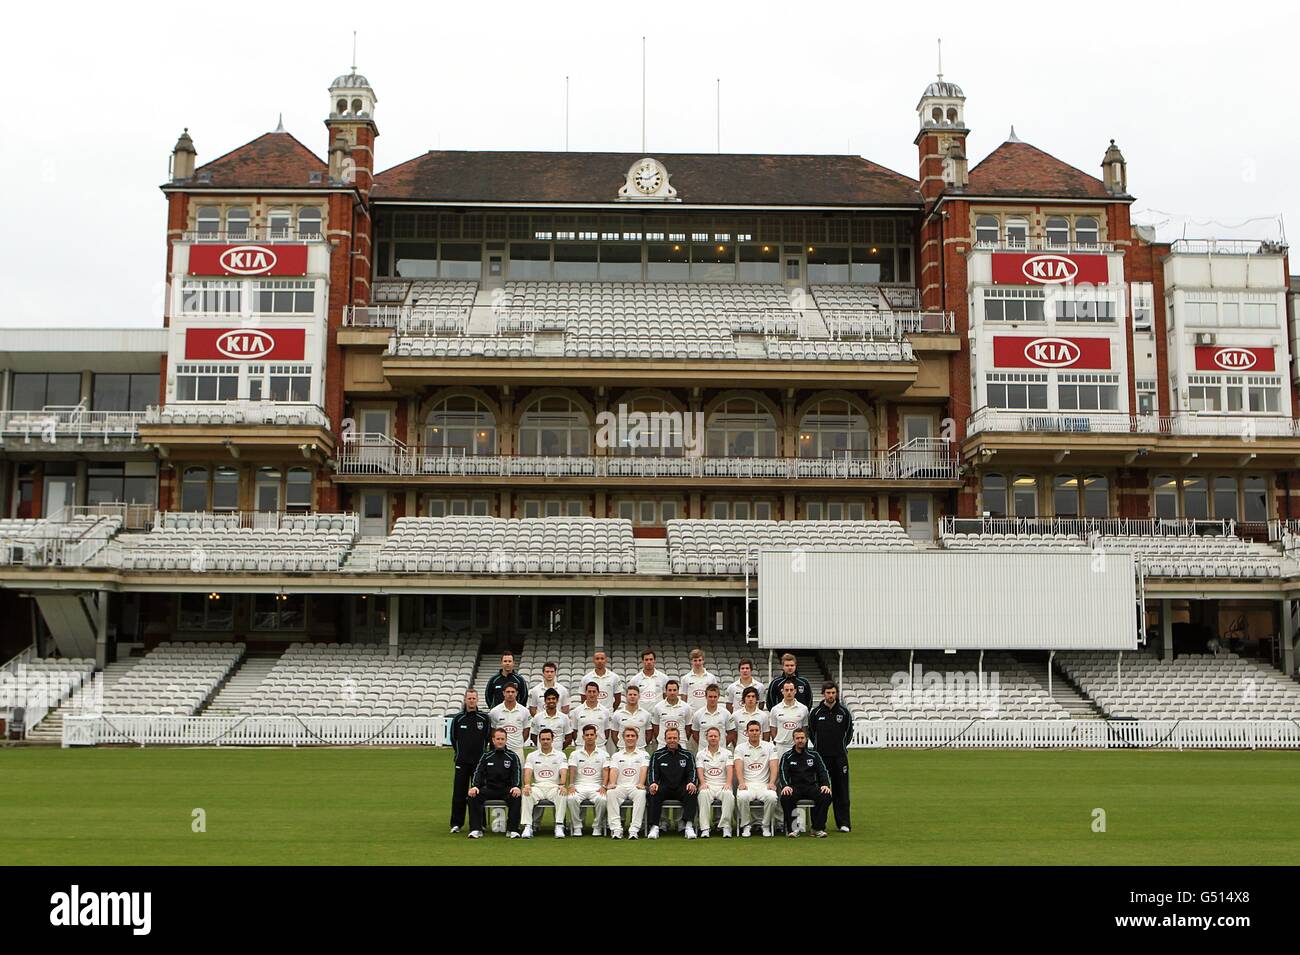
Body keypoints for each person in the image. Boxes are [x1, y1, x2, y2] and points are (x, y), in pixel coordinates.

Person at [808, 682, 853, 833]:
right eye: (828, 693)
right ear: (823, 694)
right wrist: (821, 748)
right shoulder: (816, 713)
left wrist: (839, 747)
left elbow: (848, 734)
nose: (831, 695)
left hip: (839, 757)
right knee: (820, 790)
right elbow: (812, 734)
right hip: (821, 758)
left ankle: (843, 823)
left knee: (841, 790)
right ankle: (819, 823)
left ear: (837, 693)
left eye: (833, 692)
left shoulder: (844, 713)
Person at [449, 689, 492, 834]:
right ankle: (456, 824)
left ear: (477, 700)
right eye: (469, 698)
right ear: (465, 700)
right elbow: (453, 739)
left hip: (479, 764)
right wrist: (460, 754)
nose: (472, 700)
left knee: (479, 792)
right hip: (462, 762)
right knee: (459, 793)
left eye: (474, 698)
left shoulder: (484, 718)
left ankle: (481, 823)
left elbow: (487, 738)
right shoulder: (458, 719)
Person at [467, 728, 523, 838]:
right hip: (490, 789)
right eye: (498, 739)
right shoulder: (486, 756)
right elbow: (478, 772)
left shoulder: (512, 756)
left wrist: (516, 786)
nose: (500, 741)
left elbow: (517, 773)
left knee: (516, 796)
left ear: (506, 740)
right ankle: (476, 829)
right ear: (493, 740)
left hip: (506, 789)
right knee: (472, 796)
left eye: (502, 739)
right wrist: (474, 786)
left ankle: (512, 829)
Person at [777, 728, 832, 838]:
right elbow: (782, 772)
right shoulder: (787, 756)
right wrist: (785, 786)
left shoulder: (814, 755)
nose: (800, 740)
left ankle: (817, 828)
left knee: (826, 795)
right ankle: (793, 829)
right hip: (794, 788)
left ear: (806, 739)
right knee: (786, 796)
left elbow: (823, 771)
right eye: (797, 738)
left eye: (802, 738)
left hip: (811, 787)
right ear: (793, 740)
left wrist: (826, 785)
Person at [646, 727, 698, 839]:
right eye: (669, 738)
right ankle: (655, 827)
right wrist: (653, 783)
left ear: (679, 739)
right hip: (664, 787)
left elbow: (692, 771)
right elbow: (652, 772)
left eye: (675, 738)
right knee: (653, 792)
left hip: (681, 787)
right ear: (665, 739)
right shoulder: (657, 755)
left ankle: (688, 826)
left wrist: (692, 782)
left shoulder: (687, 755)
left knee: (692, 791)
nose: (672, 740)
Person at [733, 719, 778, 837]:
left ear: (760, 732)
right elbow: (738, 767)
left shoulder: (769, 746)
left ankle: (766, 825)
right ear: (747, 732)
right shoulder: (740, 748)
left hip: (764, 785)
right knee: (742, 796)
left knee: (772, 797)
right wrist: (741, 783)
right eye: (751, 730)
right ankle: (746, 826)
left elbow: (774, 766)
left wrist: (772, 782)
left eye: (757, 730)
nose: (754, 733)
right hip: (748, 785)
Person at [521, 728, 567, 839]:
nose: (545, 741)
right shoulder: (532, 756)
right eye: (543, 739)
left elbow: (564, 772)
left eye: (548, 739)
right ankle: (528, 826)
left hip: (554, 787)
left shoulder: (561, 755)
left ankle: (559, 825)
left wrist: (562, 785)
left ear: (552, 740)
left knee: (562, 793)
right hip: (538, 787)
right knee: (526, 793)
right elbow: (527, 772)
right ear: (539, 740)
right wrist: (527, 785)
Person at [605, 726, 649, 840]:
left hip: (635, 787)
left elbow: (644, 769)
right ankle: (616, 829)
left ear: (637, 738)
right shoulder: (616, 755)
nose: (630, 738)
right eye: (627, 736)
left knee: (641, 794)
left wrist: (641, 783)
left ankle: (634, 830)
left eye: (633, 736)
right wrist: (613, 783)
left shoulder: (643, 754)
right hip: (621, 787)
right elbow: (614, 770)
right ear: (623, 738)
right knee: (611, 793)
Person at [566, 724, 609, 837]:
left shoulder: (603, 754)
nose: (589, 737)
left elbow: (605, 771)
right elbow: (572, 769)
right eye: (587, 735)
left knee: (602, 799)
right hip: (579, 785)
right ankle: (577, 827)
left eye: (592, 735)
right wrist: (571, 785)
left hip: (596, 786)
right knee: (571, 798)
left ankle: (597, 826)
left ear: (596, 736)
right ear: (583, 737)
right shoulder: (575, 754)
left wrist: (604, 786)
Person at [695, 726, 734, 838]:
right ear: (706, 738)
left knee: (729, 795)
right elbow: (700, 770)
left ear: (719, 738)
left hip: (722, 784)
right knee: (703, 794)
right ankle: (705, 828)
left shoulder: (727, 753)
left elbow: (730, 769)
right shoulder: (701, 754)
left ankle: (726, 827)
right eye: (710, 736)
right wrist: (702, 783)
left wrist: (728, 783)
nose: (713, 738)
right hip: (708, 784)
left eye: (715, 736)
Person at [769, 680, 810, 758]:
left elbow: (804, 729)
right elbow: (773, 729)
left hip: (797, 746)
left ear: (795, 691)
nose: (789, 692)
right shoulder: (775, 709)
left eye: (791, 690)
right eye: (786, 690)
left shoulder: (803, 709)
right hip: (781, 746)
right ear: (782, 691)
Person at [488, 683, 530, 756]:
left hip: (517, 750)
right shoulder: (494, 711)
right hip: (500, 750)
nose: (510, 694)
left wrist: (518, 742)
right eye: (508, 692)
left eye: (513, 692)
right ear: (503, 693)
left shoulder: (524, 711)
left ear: (516, 693)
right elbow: (493, 731)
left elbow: (526, 730)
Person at [570, 681, 613, 754]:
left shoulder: (605, 711)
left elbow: (606, 731)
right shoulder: (577, 711)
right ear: (585, 693)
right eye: (589, 691)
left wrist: (600, 742)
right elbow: (574, 731)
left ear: (598, 693)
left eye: (594, 691)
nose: (592, 694)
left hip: (600, 747)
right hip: (581, 747)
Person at [649, 679, 692, 751]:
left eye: (674, 690)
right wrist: (663, 739)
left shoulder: (686, 707)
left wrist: (680, 738)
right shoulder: (658, 707)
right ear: (665, 691)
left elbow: (688, 728)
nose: (672, 692)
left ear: (678, 691)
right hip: (663, 744)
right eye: (670, 690)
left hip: (681, 744)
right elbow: (656, 727)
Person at [690, 684, 735, 749]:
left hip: (721, 753)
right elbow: (695, 733)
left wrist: (721, 745)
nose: (712, 699)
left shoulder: (726, 714)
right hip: (703, 753)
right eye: (710, 697)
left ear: (718, 697)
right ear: (706, 697)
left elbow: (731, 733)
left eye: (715, 697)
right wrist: (705, 745)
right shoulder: (698, 714)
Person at [610, 684, 652, 751]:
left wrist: (641, 745)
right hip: (622, 749)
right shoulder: (617, 714)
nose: (632, 697)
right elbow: (614, 734)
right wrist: (621, 746)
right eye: (630, 694)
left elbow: (649, 734)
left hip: (640, 749)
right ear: (626, 696)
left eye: (635, 695)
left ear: (639, 696)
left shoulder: (646, 714)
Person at [680, 648, 717, 713]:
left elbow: (715, 696)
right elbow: (684, 697)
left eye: (700, 660)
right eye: (695, 660)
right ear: (691, 661)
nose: (698, 663)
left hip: (707, 712)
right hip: (691, 713)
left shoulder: (711, 678)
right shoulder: (685, 678)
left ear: (703, 661)